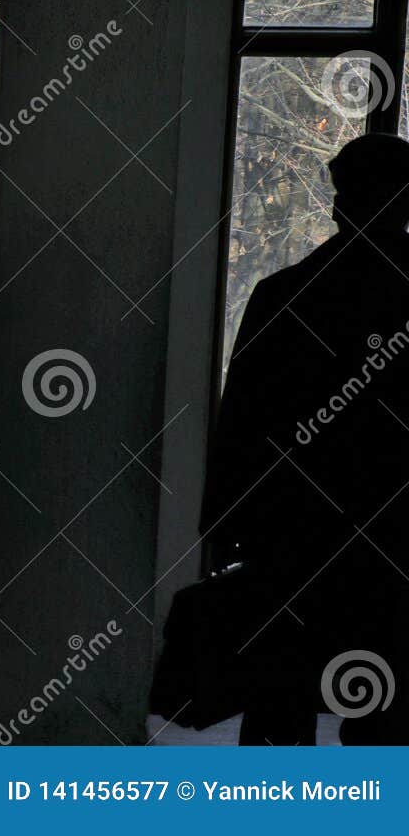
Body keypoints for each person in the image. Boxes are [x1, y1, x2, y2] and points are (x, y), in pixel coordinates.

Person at [203, 133, 409, 744]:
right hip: (395, 538)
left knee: (280, 696)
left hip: (292, 533)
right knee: (388, 704)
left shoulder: (283, 296)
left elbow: (240, 420)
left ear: (339, 205)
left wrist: (224, 528)